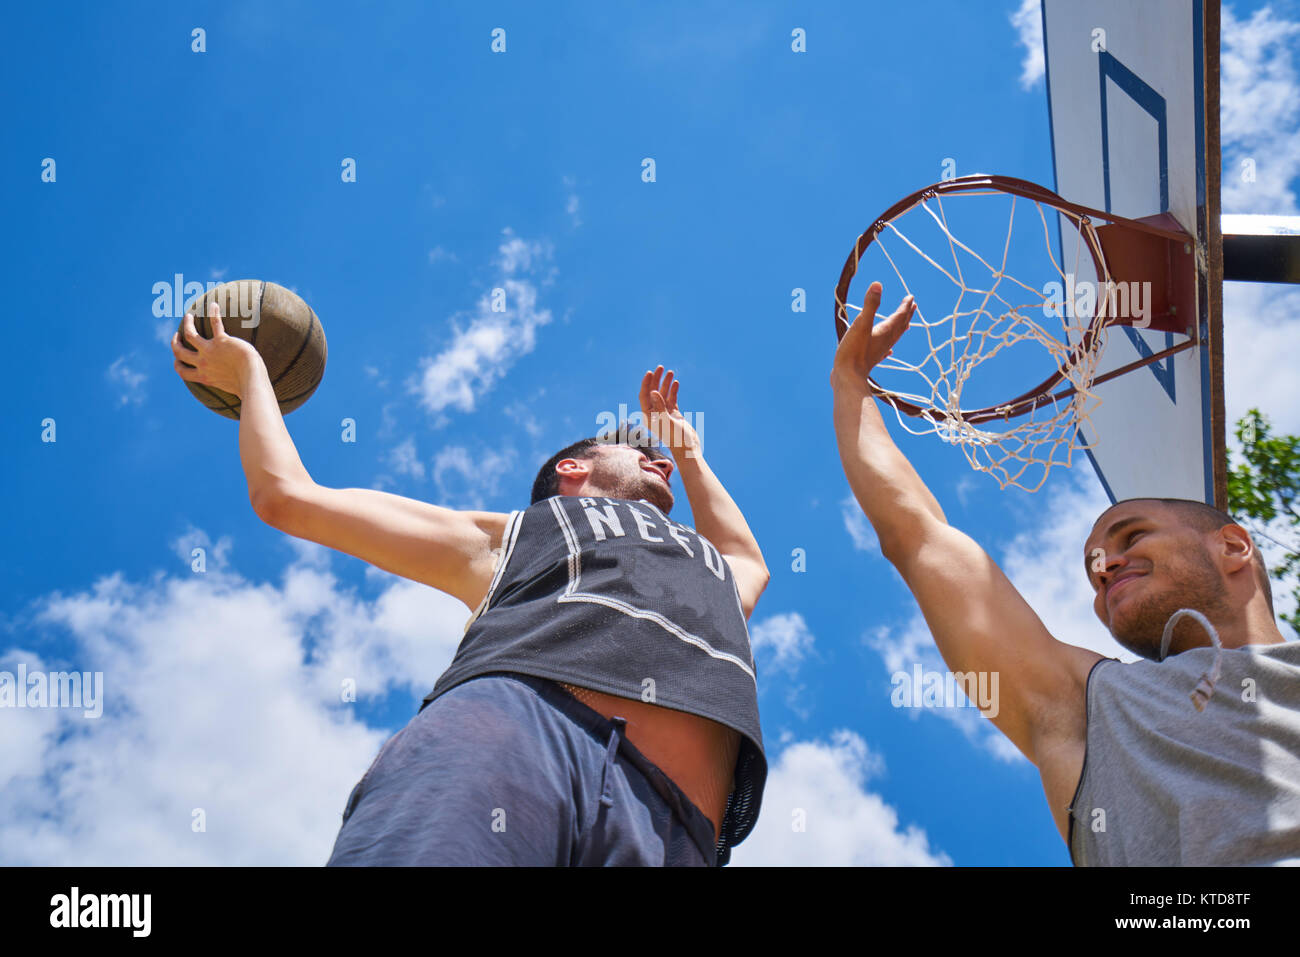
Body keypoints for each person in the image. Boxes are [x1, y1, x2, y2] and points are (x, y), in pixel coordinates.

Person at [171, 302, 768, 866]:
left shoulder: (706, 565)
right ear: (572, 468)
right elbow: (290, 497)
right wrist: (252, 374)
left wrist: (688, 452)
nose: (657, 458)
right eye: (635, 450)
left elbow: (750, 562)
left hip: (675, 830)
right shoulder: (515, 534)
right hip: (518, 739)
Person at [831, 281, 1300, 865]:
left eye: (1133, 535)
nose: (1104, 567)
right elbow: (917, 537)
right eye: (1092, 567)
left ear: (1232, 547)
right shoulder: (1088, 710)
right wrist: (850, 387)